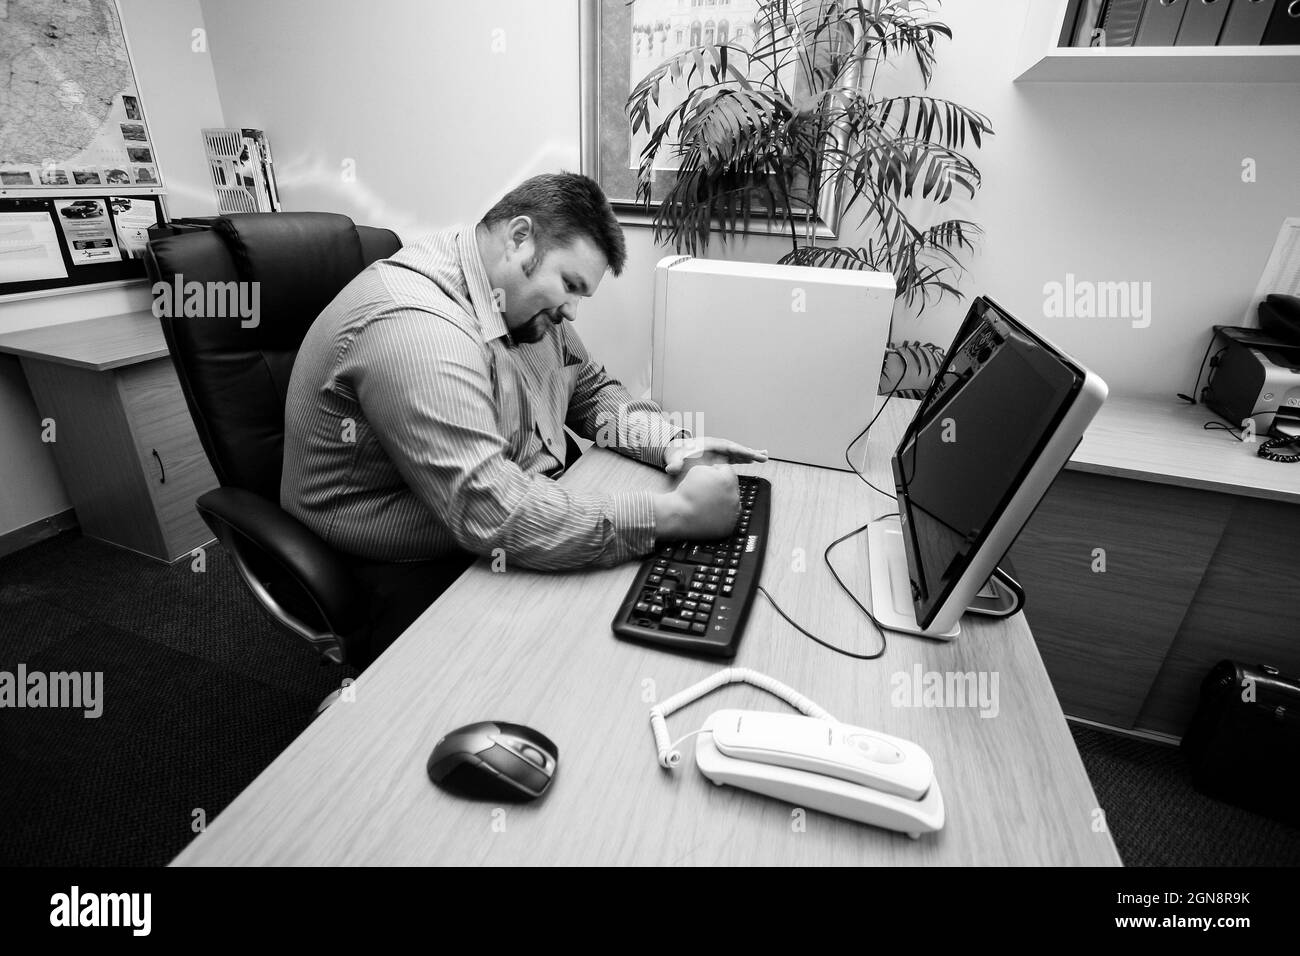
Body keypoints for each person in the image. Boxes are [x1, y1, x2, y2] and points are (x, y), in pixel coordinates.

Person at [281, 172, 765, 575]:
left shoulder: (519, 301)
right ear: (519, 238)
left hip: (517, 505)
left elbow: (590, 390)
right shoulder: (418, 328)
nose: (572, 312)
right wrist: (674, 515)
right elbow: (491, 512)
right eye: (570, 285)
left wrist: (671, 443)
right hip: (409, 563)